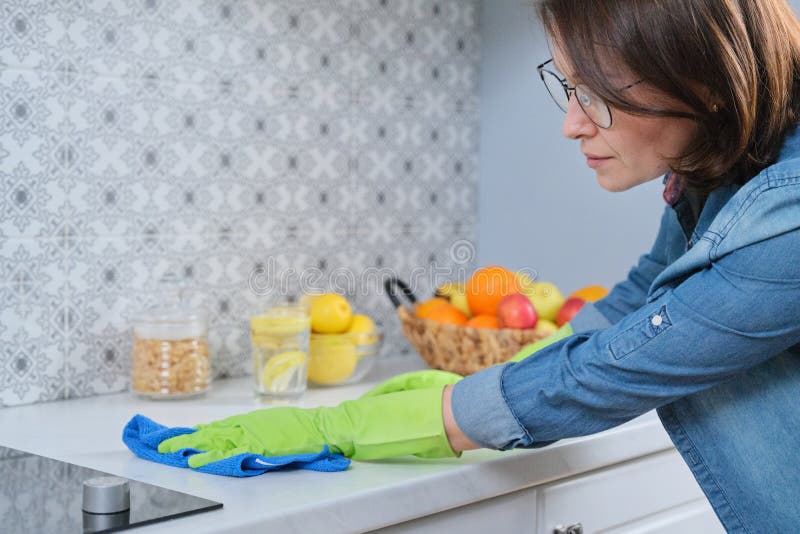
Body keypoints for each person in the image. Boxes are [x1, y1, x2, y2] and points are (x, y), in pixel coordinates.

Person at [153, 1, 800, 531]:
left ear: (708, 84)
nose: (572, 125)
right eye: (569, 88)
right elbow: (635, 301)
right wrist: (492, 379)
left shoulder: (790, 211)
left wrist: (346, 425)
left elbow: (613, 371)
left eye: (599, 96)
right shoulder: (723, 159)